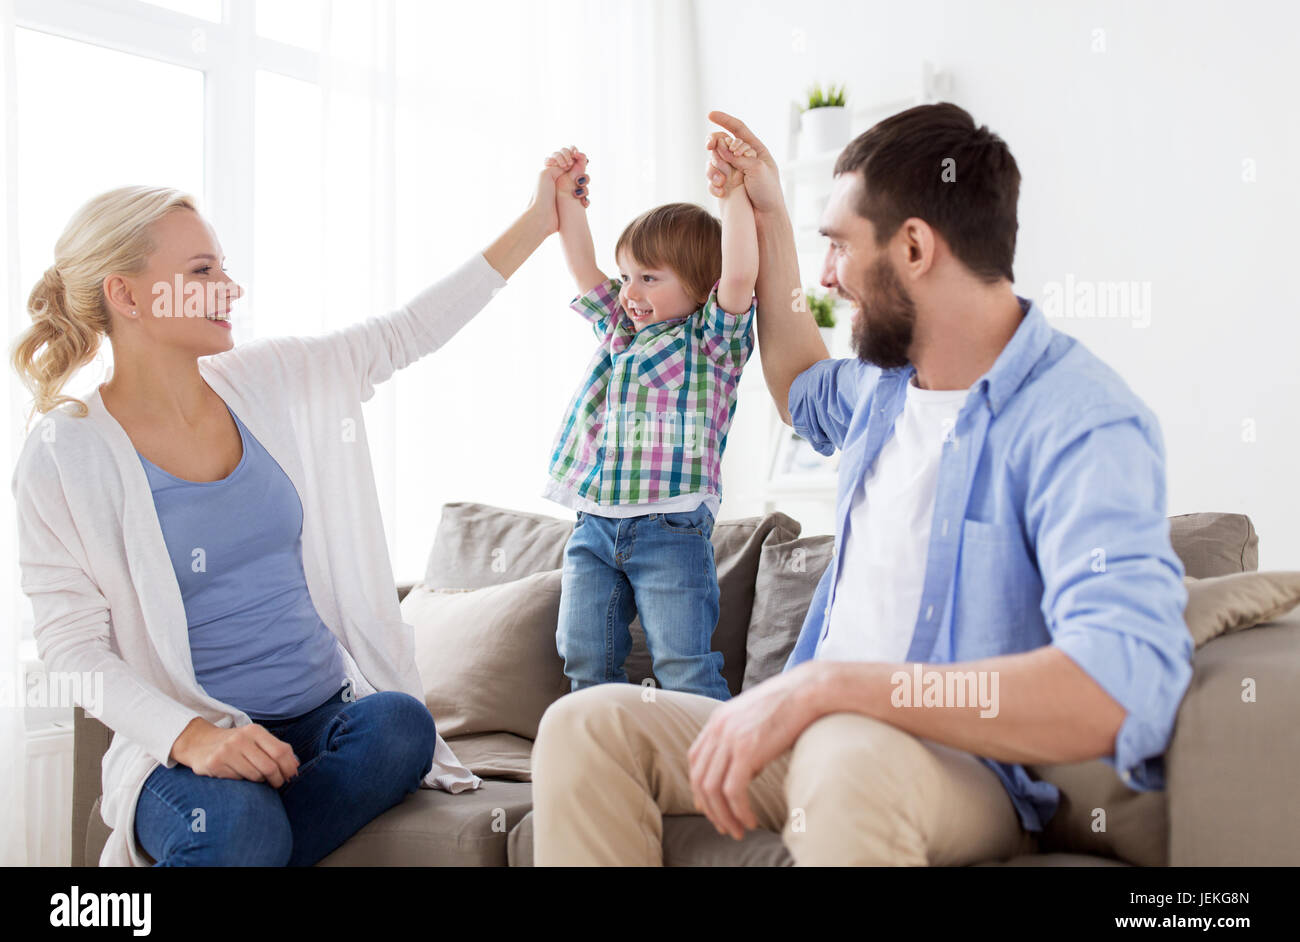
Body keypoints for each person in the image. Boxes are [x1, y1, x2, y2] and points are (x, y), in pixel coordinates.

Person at [530, 104, 1195, 866]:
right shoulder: (884, 388)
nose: (826, 279)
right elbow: (798, 382)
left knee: (852, 758)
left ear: (914, 246)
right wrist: (770, 210)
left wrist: (834, 689)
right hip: (808, 737)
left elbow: (1118, 683)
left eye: (840, 247)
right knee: (586, 728)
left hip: (949, 767)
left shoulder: (1081, 422)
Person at [10, 167, 584, 866]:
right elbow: (72, 651)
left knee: (399, 724)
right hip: (190, 739)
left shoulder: (264, 382)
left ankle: (258, 839)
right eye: (203, 269)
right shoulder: (65, 454)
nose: (232, 286)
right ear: (126, 293)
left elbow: (405, 332)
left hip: (321, 720)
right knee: (240, 828)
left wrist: (538, 220)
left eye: (223, 264)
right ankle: (248, 831)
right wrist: (196, 739)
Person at [539, 140, 759, 701]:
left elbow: (738, 277)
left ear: (699, 286)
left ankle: (713, 782)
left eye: (649, 279)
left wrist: (733, 194)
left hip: (672, 527)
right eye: (628, 276)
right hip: (594, 523)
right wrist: (569, 202)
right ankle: (605, 769)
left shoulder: (712, 343)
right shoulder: (621, 330)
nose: (629, 293)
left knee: (683, 662)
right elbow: (584, 269)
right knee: (584, 654)